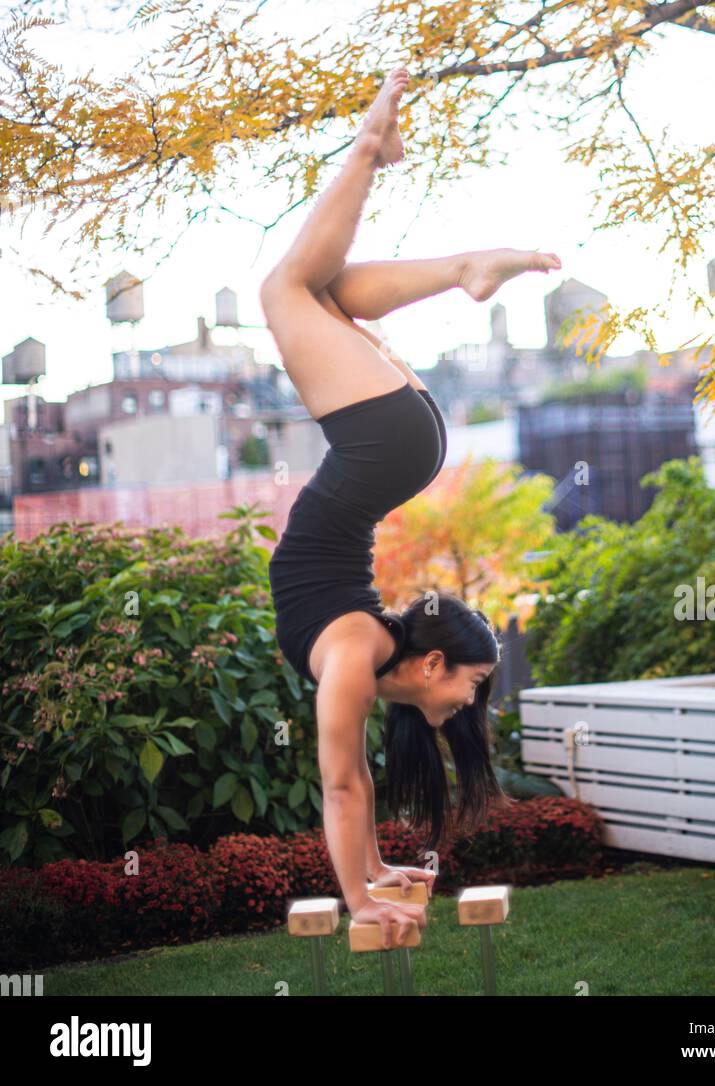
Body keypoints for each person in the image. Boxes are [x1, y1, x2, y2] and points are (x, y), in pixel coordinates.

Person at [260, 65, 561, 946]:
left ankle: (401, 186)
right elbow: (343, 787)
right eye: (477, 688)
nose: (470, 704)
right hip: (386, 440)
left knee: (317, 291)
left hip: (398, 439)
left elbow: (349, 783)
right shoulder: (357, 646)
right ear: (431, 664)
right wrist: (360, 904)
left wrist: (374, 880)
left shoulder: (358, 650)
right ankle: (395, 183)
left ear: (428, 667)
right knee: (284, 292)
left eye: (471, 691)